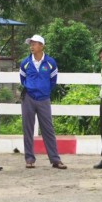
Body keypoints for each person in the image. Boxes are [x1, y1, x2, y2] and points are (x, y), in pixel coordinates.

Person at [19, 34, 67, 169]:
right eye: (31, 44)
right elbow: (22, 79)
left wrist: (44, 91)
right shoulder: (25, 62)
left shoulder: (51, 63)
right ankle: (29, 159)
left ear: (41, 46)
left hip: (44, 99)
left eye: (34, 44)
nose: (31, 46)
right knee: (27, 129)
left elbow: (53, 81)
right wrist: (32, 89)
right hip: (28, 98)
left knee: (48, 129)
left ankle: (55, 159)